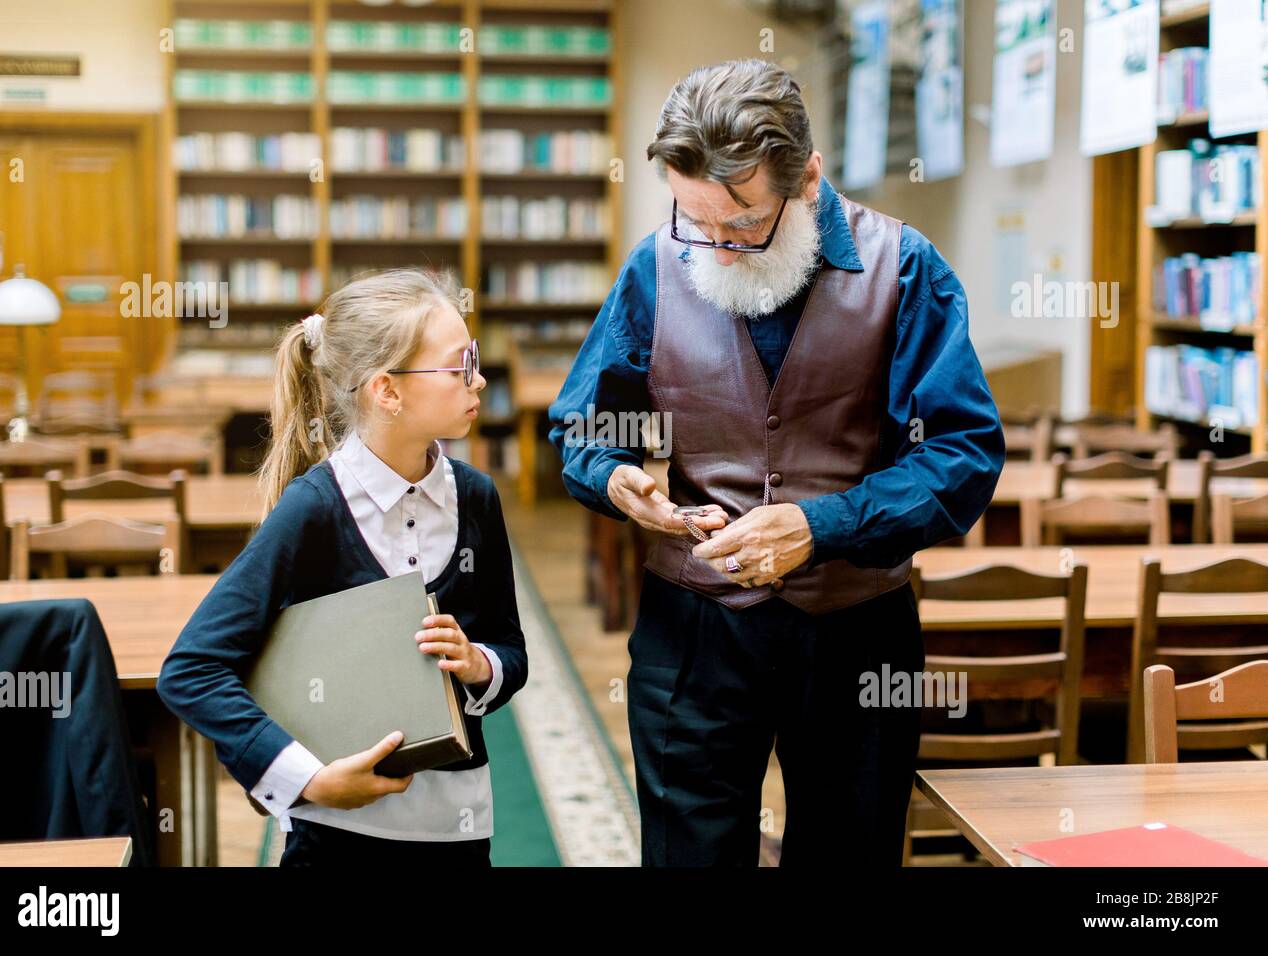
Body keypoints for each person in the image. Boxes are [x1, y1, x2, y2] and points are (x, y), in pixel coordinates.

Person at [547, 59, 1005, 867]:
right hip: (692, 625)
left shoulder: (905, 268)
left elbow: (962, 456)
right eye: (696, 221)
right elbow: (587, 426)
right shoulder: (655, 267)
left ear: (809, 179)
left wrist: (819, 526)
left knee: (850, 853)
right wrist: (614, 477)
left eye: (745, 223)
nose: (717, 251)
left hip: (857, 626)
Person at [157, 268, 527, 867]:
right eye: (461, 364)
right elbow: (193, 670)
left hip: (457, 830)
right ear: (387, 390)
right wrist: (307, 781)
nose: (478, 379)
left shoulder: (478, 497)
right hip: (334, 838)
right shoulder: (315, 508)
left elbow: (510, 648)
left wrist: (478, 663)